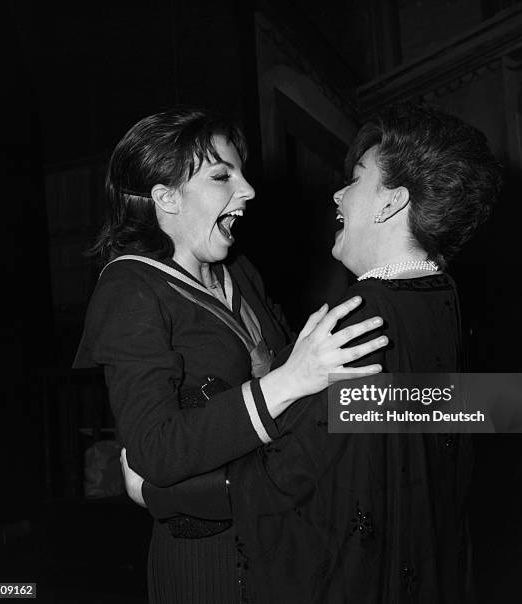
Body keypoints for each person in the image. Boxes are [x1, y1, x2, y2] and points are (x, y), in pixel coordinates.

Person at [123, 103, 502, 602]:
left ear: (390, 203)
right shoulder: (442, 296)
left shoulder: (357, 318)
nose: (338, 192)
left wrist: (150, 490)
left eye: (358, 179)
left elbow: (288, 477)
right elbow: (458, 413)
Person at [73, 107, 387, 603]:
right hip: (210, 559)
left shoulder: (238, 270)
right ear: (166, 197)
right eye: (222, 175)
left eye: (241, 171)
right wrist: (290, 380)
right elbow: (154, 451)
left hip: (280, 537)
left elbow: (298, 380)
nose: (248, 189)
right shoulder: (130, 288)